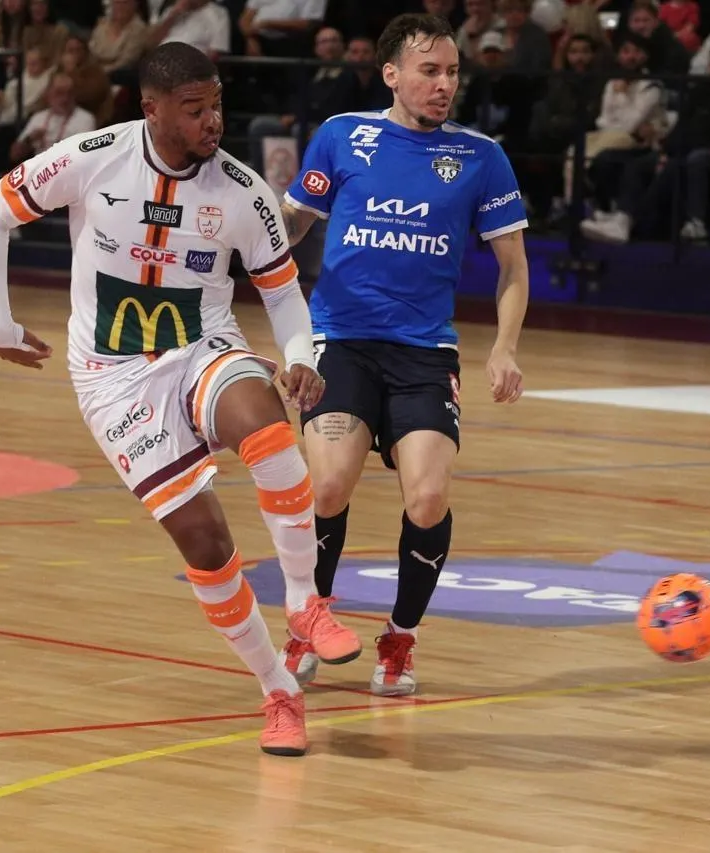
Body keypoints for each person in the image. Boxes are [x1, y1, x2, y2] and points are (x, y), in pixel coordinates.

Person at [0, 41, 365, 758]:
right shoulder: (91, 156)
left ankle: (305, 601)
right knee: (206, 545)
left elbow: (284, 298)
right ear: (151, 110)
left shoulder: (243, 190)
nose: (212, 120)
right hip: (113, 379)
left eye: (216, 104)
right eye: (195, 109)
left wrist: (302, 357)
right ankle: (279, 688)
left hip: (202, 348)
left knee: (265, 423)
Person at [277, 13, 529, 695]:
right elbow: (295, 218)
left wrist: (504, 347)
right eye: (430, 71)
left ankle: (401, 636)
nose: (445, 83)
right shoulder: (342, 137)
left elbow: (513, 267)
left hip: (424, 351)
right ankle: (310, 618)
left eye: (452, 72)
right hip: (343, 342)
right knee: (327, 485)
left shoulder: (481, 157)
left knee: (427, 496)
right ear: (392, 74)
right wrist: (251, 224)